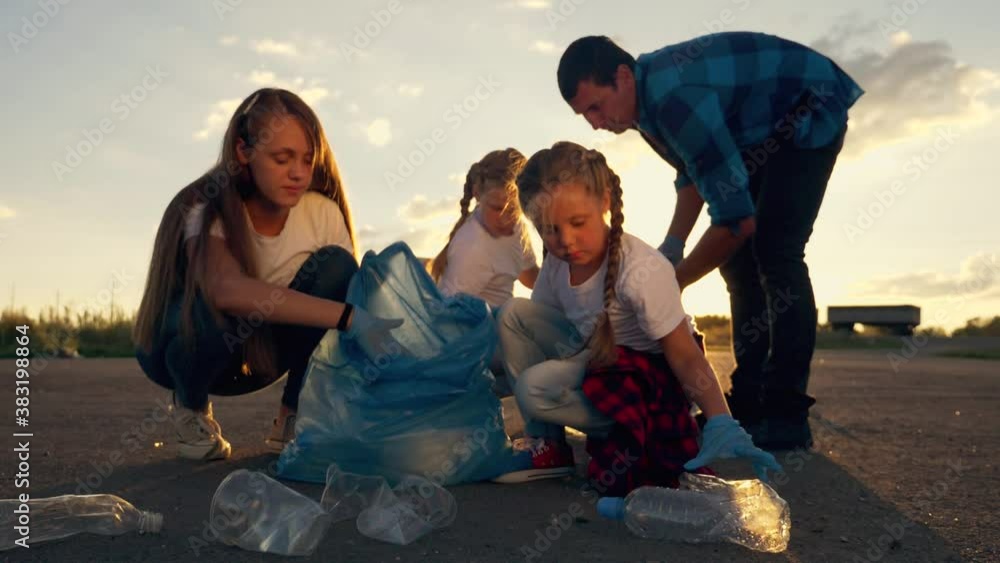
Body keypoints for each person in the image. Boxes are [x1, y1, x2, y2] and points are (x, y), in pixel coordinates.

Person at [556, 33, 864, 449]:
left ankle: (786, 413)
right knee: (737, 263)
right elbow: (694, 175)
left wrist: (670, 283)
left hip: (807, 104)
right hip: (757, 133)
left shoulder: (673, 98)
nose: (595, 123)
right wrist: (672, 246)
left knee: (776, 251)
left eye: (596, 107)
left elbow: (736, 221)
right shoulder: (641, 110)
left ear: (623, 77)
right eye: (585, 116)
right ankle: (748, 401)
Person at [133, 88, 403, 461]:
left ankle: (295, 415)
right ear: (244, 152)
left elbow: (344, 299)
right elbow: (225, 290)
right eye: (282, 158)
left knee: (338, 268)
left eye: (307, 160)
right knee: (210, 309)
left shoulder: (322, 213)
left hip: (266, 359)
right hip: (191, 350)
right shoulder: (207, 206)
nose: (298, 173)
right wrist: (351, 317)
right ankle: (191, 408)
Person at [493, 141, 779, 489]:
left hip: (645, 377)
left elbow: (685, 354)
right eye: (549, 229)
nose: (566, 240)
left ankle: (630, 427)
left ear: (604, 202)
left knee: (533, 389)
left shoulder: (642, 269)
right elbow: (533, 333)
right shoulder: (557, 262)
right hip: (593, 357)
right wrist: (481, 371)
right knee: (512, 313)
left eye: (578, 222)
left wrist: (721, 421)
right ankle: (549, 446)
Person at [429, 148, 540, 311]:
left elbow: (529, 276)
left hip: (504, 318)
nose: (504, 218)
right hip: (475, 324)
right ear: (477, 193)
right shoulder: (471, 246)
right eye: (496, 208)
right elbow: (448, 313)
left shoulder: (517, 227)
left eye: (513, 210)